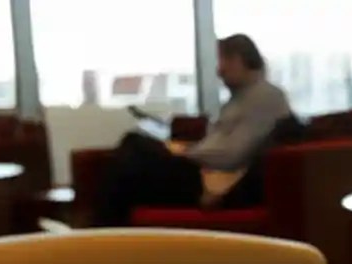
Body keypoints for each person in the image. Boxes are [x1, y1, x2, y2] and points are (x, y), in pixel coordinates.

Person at [94, 34, 292, 227]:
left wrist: (186, 153)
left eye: (223, 62)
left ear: (239, 59)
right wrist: (184, 150)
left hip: (215, 187)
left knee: (134, 145)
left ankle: (99, 234)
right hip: (206, 174)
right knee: (131, 161)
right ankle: (105, 235)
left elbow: (232, 155)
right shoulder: (240, 99)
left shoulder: (265, 97)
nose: (219, 71)